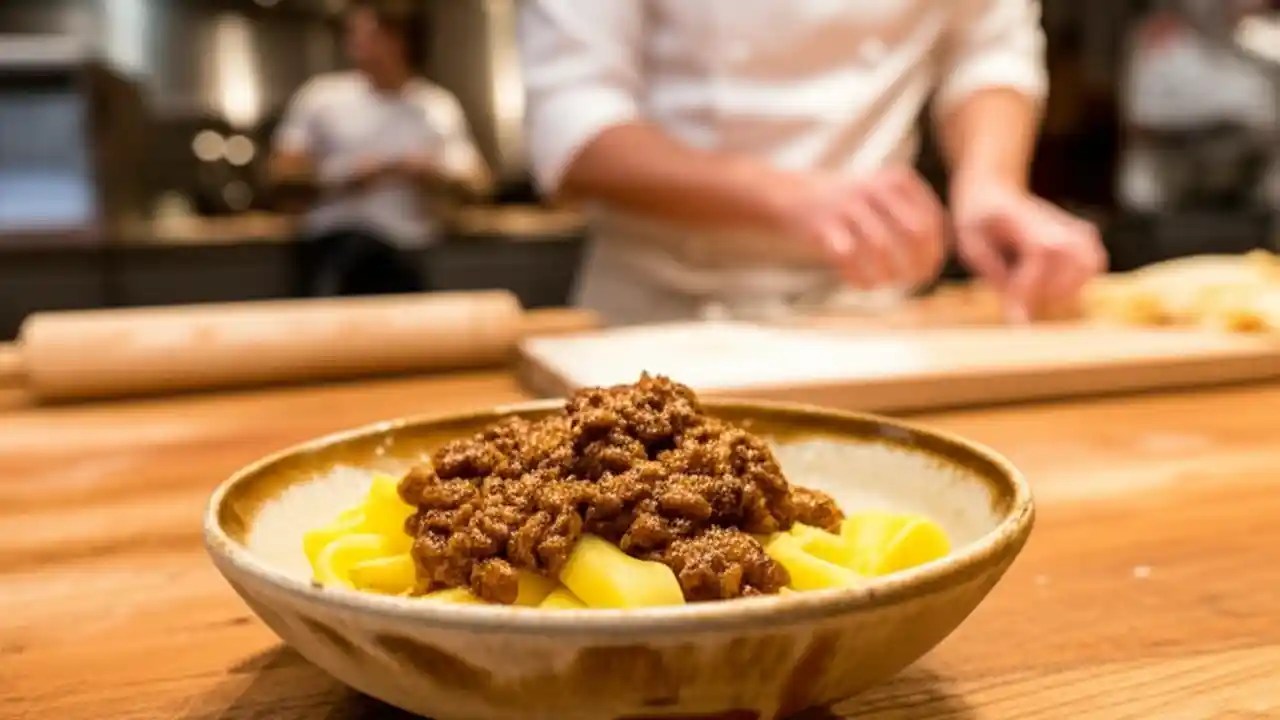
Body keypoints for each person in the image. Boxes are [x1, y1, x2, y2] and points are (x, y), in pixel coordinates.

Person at [519, 1, 1106, 324]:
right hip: (661, 311)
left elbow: (989, 47)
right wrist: (790, 197)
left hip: (867, 312)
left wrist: (990, 184)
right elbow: (576, 128)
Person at [271, 0, 490, 296]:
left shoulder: (436, 107)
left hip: (409, 253)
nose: (355, 44)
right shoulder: (321, 98)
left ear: (399, 40)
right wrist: (345, 177)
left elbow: (479, 184)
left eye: (368, 34)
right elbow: (280, 178)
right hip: (334, 250)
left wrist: (431, 174)